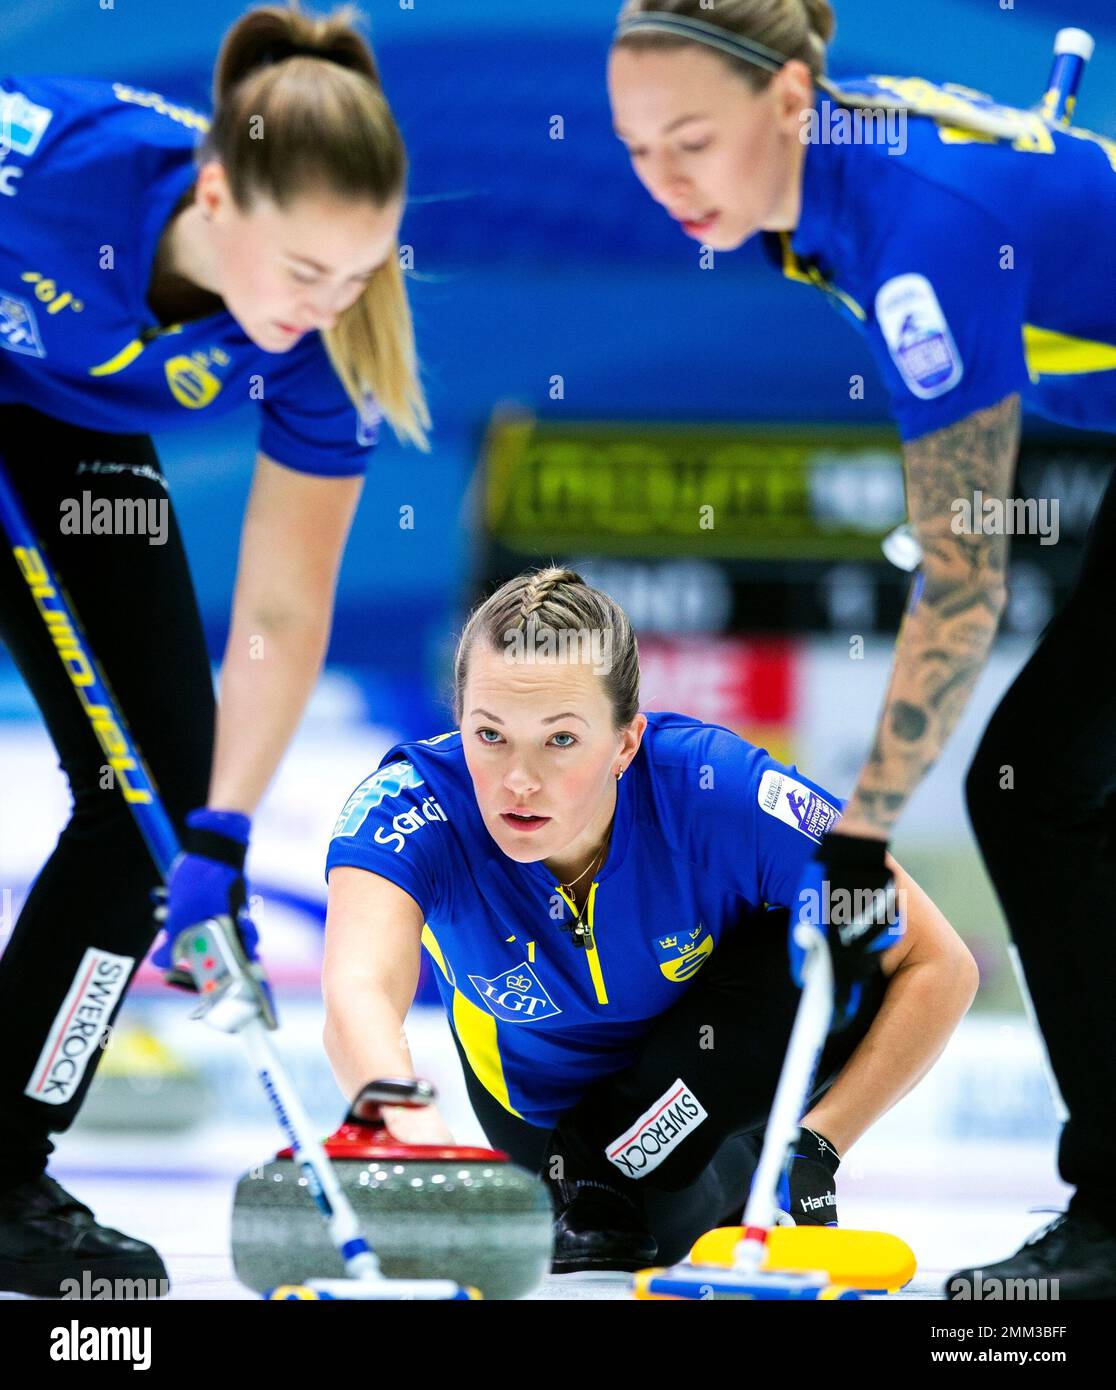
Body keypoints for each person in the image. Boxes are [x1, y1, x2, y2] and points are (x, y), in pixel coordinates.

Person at [607, 0, 1116, 1298]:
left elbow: (964, 583)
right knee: (1055, 781)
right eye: (637, 149)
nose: (665, 183)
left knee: (1036, 783)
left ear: (786, 99)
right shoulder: (823, 165)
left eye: (690, 144)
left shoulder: (917, 240)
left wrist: (860, 835)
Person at [0, 2, 429, 1297]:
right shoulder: (48, 169)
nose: (327, 306)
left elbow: (282, 615)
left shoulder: (332, 343)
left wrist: (222, 834)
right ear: (217, 194)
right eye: (305, 271)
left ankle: (4, 1166)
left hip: (69, 433)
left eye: (358, 274)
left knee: (154, 806)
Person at [322, 567, 977, 1271]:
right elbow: (357, 991)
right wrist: (416, 1131)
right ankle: (623, 1181)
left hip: (715, 1072)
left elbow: (937, 963)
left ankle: (740, 1167)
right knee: (643, 1223)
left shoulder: (718, 791)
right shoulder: (410, 810)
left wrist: (820, 1144)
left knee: (838, 930)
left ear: (627, 744)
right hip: (541, 1124)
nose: (518, 779)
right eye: (490, 735)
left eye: (561, 740)